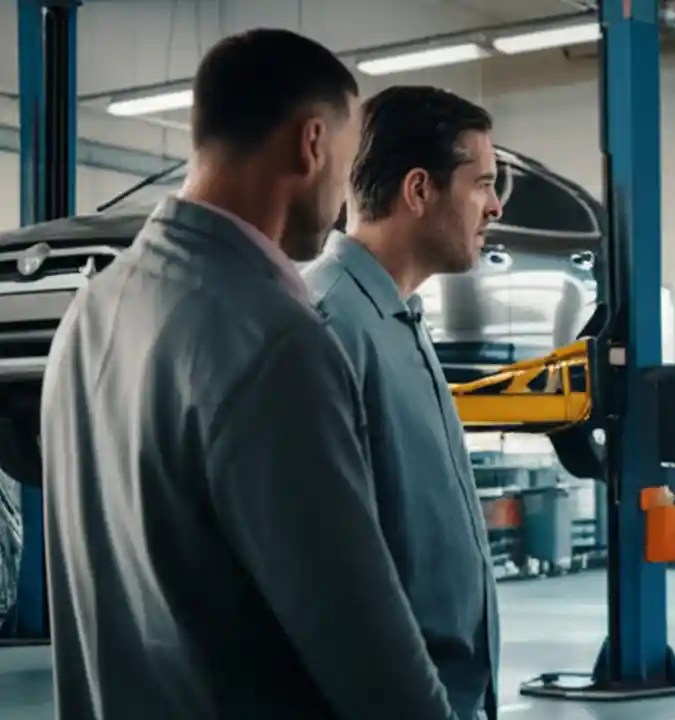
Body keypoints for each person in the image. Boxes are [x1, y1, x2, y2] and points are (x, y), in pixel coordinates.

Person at [40, 29, 456, 719]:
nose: (341, 201)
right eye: (346, 166)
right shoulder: (273, 340)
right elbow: (364, 646)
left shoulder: (93, 309)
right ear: (312, 143)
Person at [301, 85, 503, 720]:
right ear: (419, 190)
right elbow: (321, 578)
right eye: (483, 184)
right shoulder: (327, 328)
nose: (495, 207)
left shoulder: (398, 319)